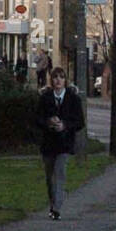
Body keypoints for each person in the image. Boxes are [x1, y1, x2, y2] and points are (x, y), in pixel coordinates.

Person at [35, 67, 84, 221]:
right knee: (50, 178)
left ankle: (57, 209)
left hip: (64, 143)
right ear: (51, 80)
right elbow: (37, 119)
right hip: (48, 143)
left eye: (61, 77)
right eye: (55, 77)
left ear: (65, 80)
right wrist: (49, 122)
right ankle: (52, 204)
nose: (58, 80)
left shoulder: (73, 98)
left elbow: (79, 122)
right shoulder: (45, 98)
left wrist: (65, 125)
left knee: (60, 173)